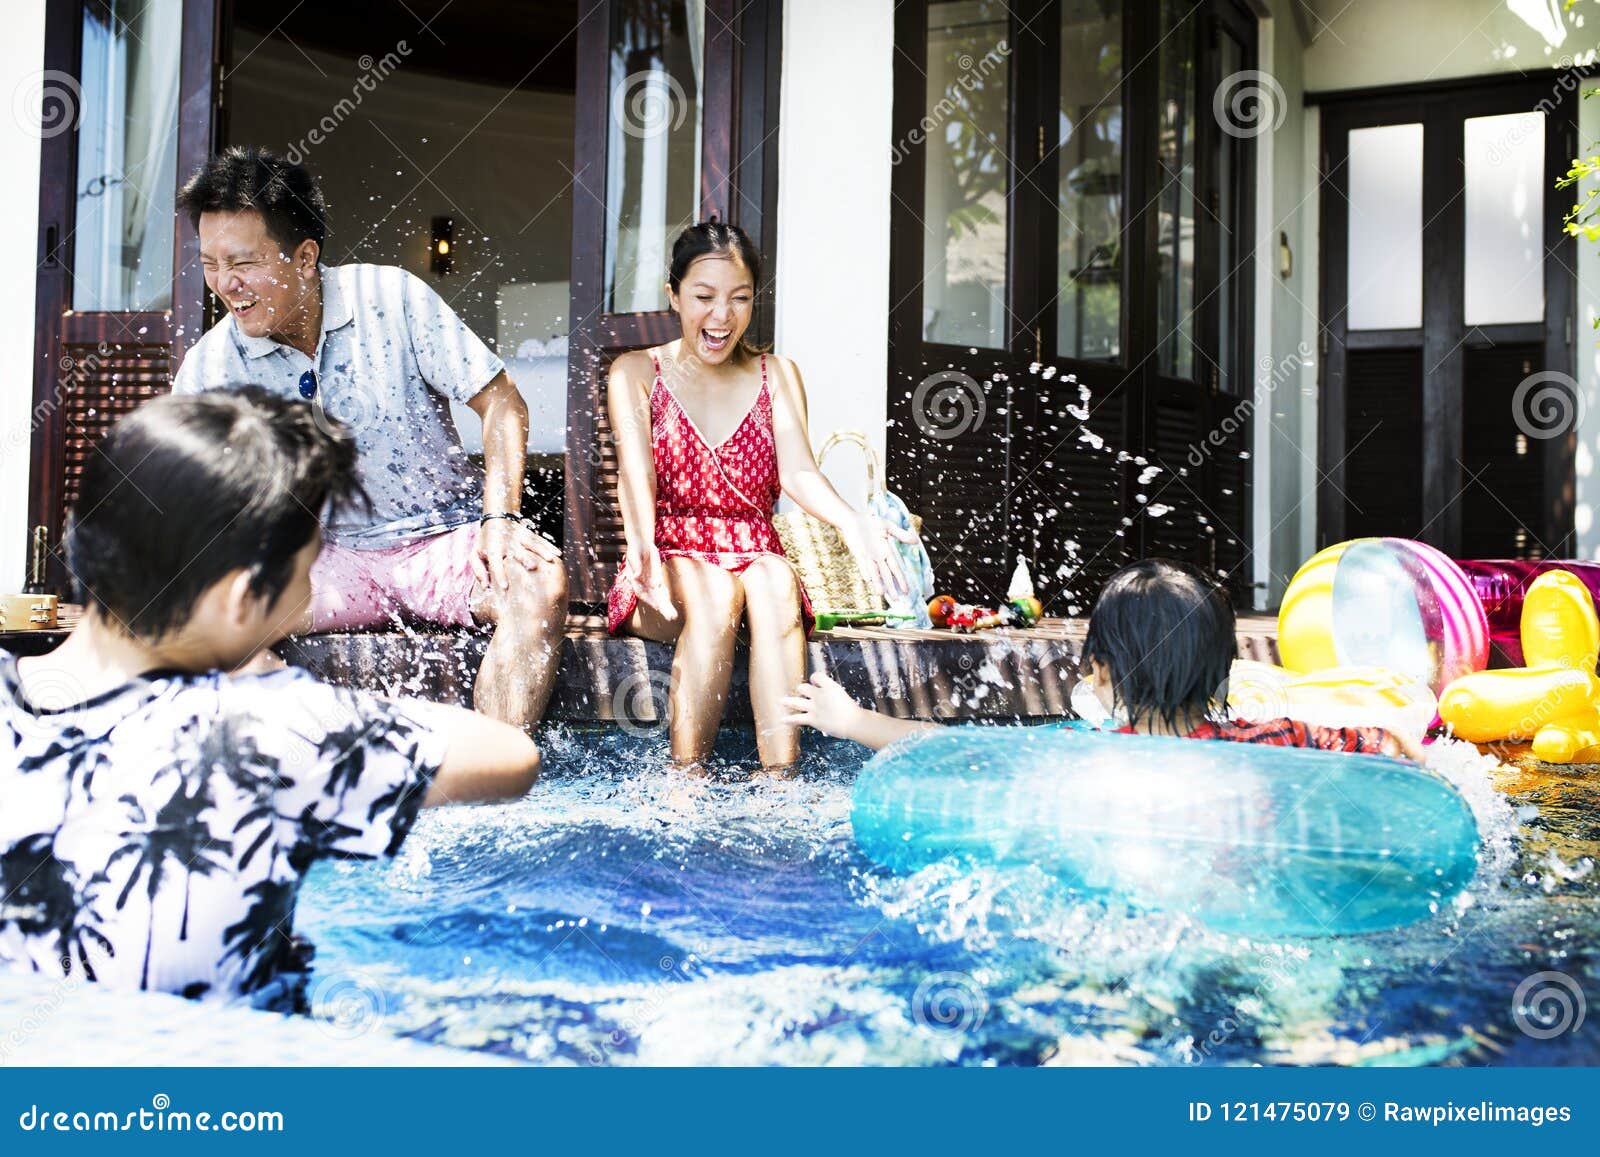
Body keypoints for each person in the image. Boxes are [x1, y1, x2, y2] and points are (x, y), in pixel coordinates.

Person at [0, 389, 540, 1005]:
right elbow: (509, 755)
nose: (309, 596)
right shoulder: (266, 729)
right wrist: (273, 687)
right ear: (238, 599)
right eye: (307, 571)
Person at [171, 146, 565, 732]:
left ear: (305, 258)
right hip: (324, 562)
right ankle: (301, 777)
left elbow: (502, 401)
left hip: (442, 543)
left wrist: (500, 520)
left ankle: (490, 781)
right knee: (203, 619)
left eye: (243, 263)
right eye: (209, 264)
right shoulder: (210, 367)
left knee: (540, 584)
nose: (226, 285)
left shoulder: (393, 298)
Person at [607, 221, 917, 774]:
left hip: (753, 553)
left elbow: (798, 472)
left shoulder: (777, 375)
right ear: (673, 294)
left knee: (775, 579)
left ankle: (780, 782)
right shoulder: (636, 373)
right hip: (666, 560)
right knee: (713, 591)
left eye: (740, 299)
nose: (721, 317)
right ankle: (687, 780)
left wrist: (852, 523)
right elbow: (636, 476)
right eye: (703, 297)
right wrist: (639, 545)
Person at [785, 558, 1425, 761]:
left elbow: (949, 746)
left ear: (1102, 671)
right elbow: (1394, 747)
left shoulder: (1085, 749)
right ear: (1225, 670)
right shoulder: (1272, 737)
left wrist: (848, 720)